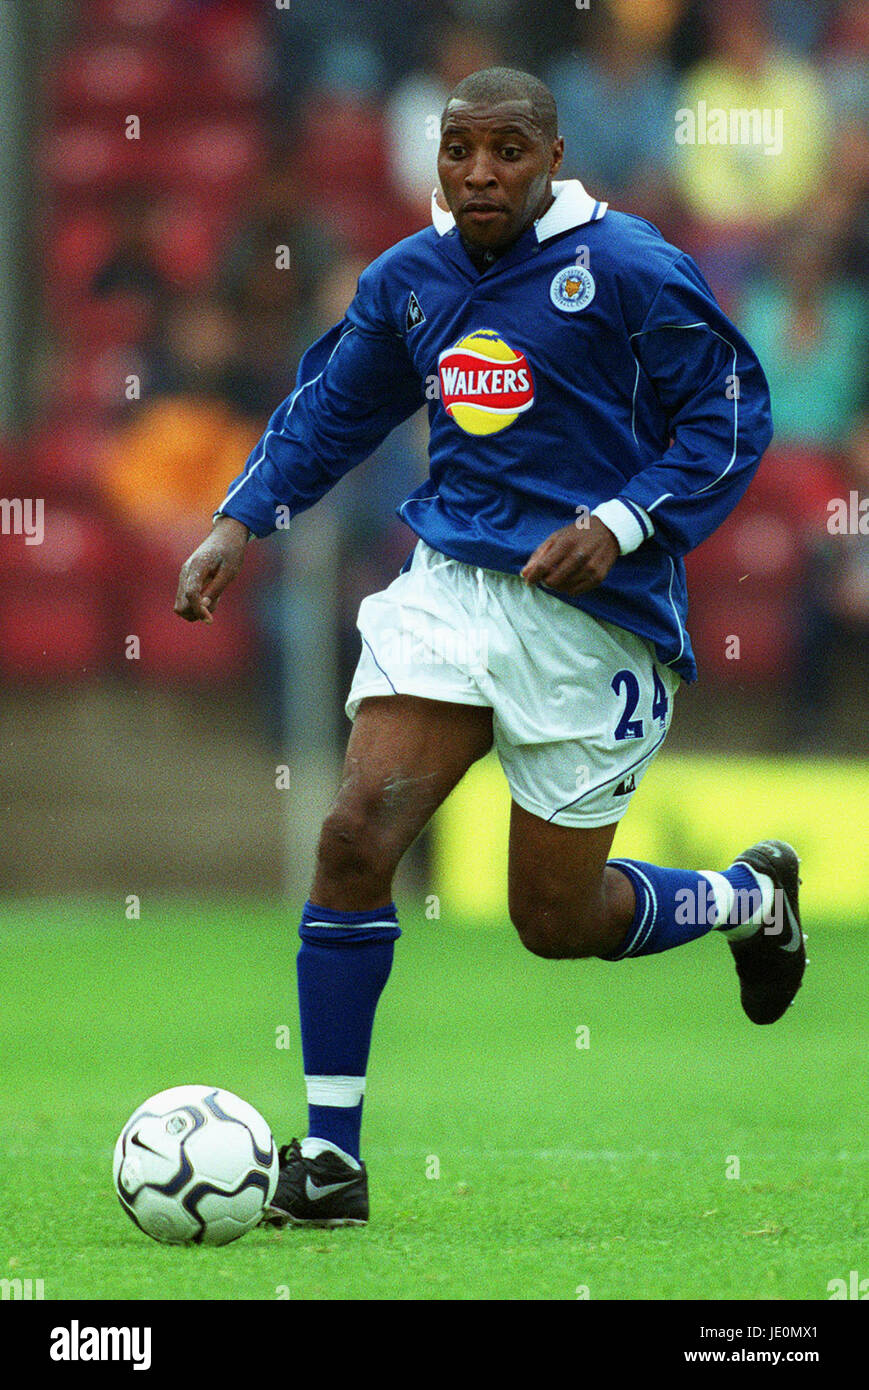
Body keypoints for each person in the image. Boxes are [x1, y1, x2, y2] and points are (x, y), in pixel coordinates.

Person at [175, 68, 805, 1227]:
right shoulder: (406, 280)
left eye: (506, 151)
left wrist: (616, 524)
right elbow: (331, 409)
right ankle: (330, 1158)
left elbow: (728, 414)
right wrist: (237, 519)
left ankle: (746, 902)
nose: (477, 172)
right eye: (458, 149)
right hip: (454, 593)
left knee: (552, 923)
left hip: (592, 624)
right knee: (355, 833)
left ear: (553, 154)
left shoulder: (628, 270)